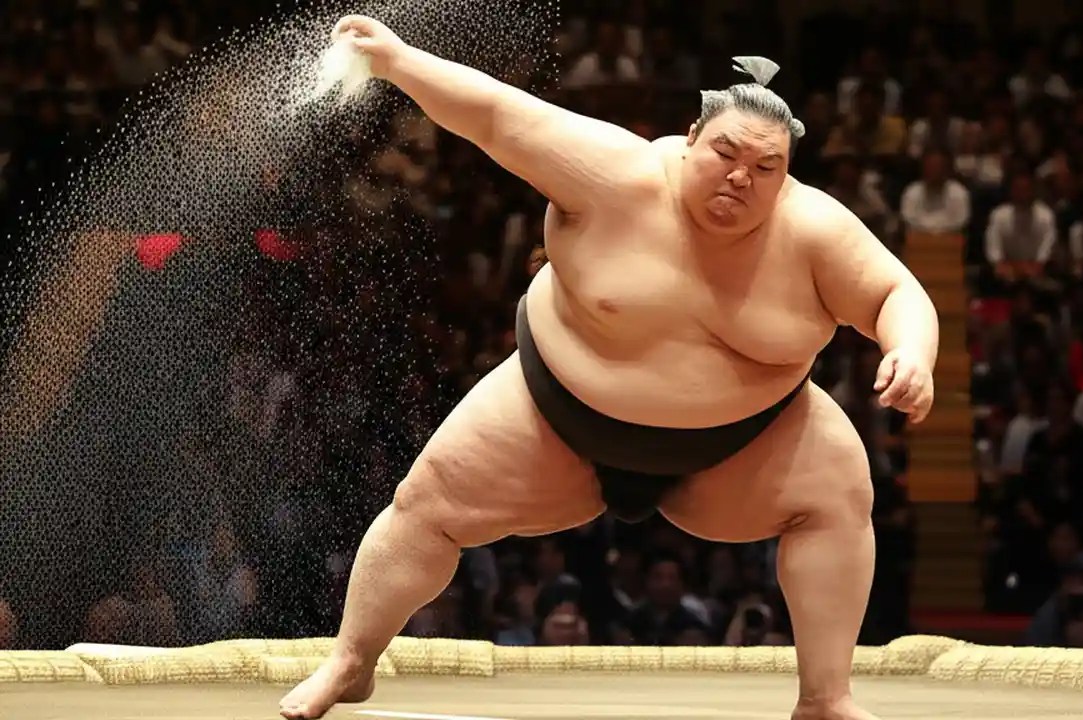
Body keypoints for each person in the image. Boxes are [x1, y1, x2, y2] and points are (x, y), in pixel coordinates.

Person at [280, 16, 939, 720]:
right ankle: (351, 660)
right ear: (691, 141)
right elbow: (497, 116)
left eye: (766, 167)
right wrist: (400, 61)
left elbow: (897, 293)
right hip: (556, 410)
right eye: (726, 153)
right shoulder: (613, 173)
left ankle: (825, 697)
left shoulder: (814, 230)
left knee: (839, 493)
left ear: (786, 174)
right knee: (426, 507)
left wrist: (911, 353)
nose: (741, 177)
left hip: (744, 443)